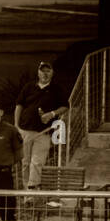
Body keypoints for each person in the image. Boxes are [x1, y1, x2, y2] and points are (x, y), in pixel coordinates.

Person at [15, 60, 68, 191]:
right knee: (25, 163)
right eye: (42, 71)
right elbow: (19, 105)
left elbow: (65, 106)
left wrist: (52, 114)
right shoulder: (28, 87)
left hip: (44, 131)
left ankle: (32, 191)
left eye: (48, 71)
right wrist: (16, 126)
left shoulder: (57, 89)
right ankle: (27, 194)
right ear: (38, 73)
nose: (45, 74)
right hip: (25, 130)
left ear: (52, 73)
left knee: (37, 162)